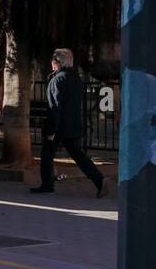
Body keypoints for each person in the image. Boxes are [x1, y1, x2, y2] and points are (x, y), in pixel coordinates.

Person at [32, 48, 105, 197]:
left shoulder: (57, 80)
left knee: (47, 153)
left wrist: (51, 130)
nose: (51, 64)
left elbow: (55, 108)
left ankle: (47, 184)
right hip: (74, 124)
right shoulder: (75, 78)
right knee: (79, 155)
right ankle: (99, 180)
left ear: (56, 62)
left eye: (53, 61)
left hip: (59, 126)